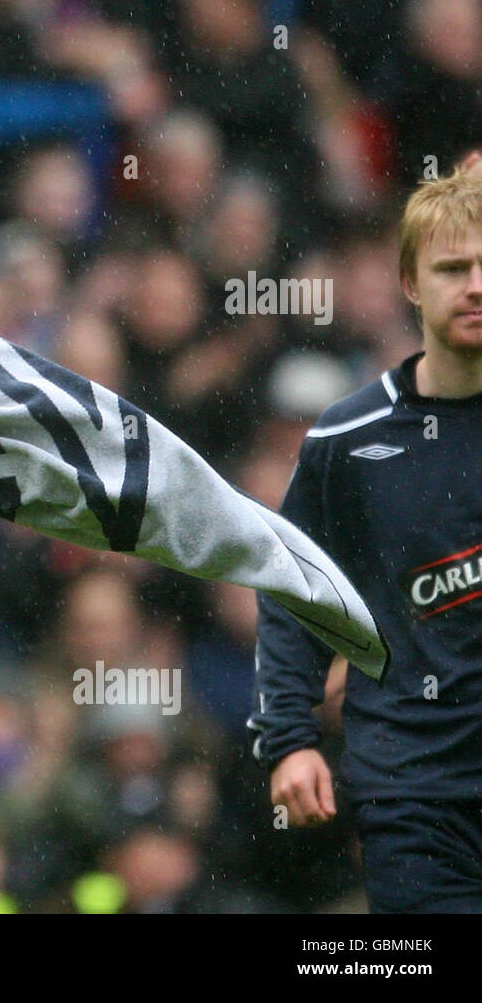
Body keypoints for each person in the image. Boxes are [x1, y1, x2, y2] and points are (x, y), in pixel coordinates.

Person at [251, 166, 482, 913]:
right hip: (417, 796)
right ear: (410, 284)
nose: (476, 287)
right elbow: (293, 593)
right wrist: (289, 738)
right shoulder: (347, 442)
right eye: (453, 269)